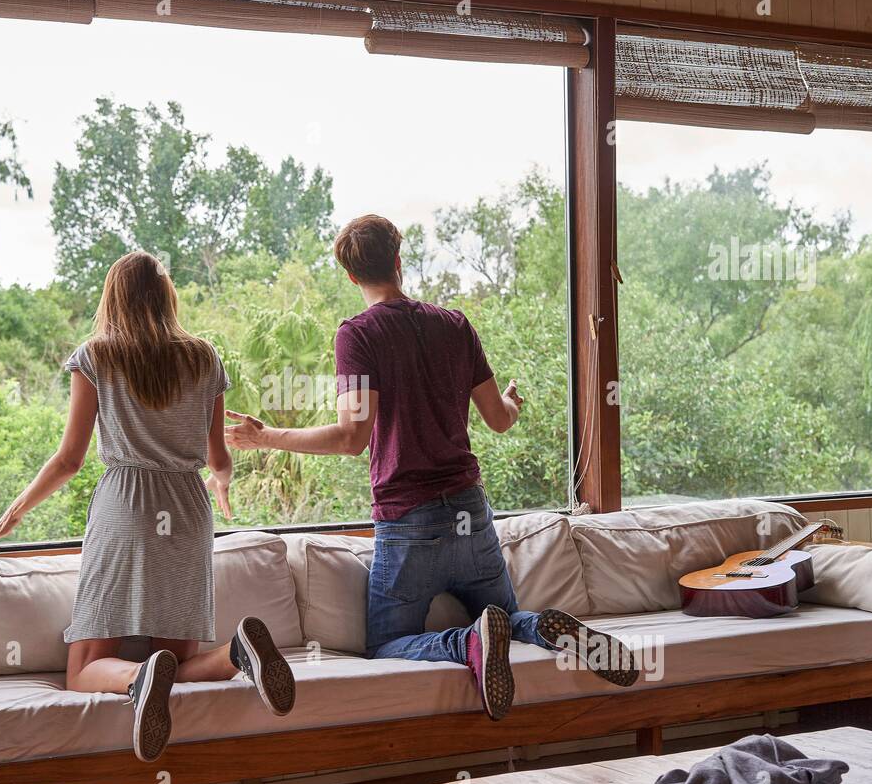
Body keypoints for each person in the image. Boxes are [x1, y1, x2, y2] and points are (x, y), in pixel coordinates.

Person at [225, 215, 636, 722]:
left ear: (351, 277)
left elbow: (352, 438)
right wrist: (511, 402)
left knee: (387, 644)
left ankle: (469, 642)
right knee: (508, 616)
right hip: (471, 512)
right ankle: (540, 629)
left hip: (408, 524)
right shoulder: (454, 324)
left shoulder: (358, 334)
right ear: (399, 261)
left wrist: (265, 437)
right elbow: (498, 421)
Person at [0, 251, 295, 762]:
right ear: (167, 295)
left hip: (127, 507)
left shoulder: (97, 356)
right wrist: (222, 485)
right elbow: (218, 458)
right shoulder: (204, 357)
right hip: (188, 510)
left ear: (112, 296)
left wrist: (15, 511)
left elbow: (69, 459)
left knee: (82, 670)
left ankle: (139, 678)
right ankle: (236, 654)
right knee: (178, 658)